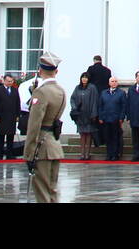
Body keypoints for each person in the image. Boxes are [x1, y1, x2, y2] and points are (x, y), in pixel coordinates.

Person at [22, 52, 66, 203]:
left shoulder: (41, 92)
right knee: (52, 191)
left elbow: (34, 125)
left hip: (41, 147)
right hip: (54, 145)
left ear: (40, 71)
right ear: (56, 71)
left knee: (42, 192)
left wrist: (28, 153)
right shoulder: (60, 90)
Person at [68, 72, 100, 160]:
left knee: (89, 134)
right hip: (80, 115)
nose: (84, 79)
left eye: (86, 77)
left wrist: (94, 114)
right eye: (83, 77)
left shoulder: (92, 88)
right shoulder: (77, 88)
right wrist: (75, 108)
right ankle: (82, 153)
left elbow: (95, 101)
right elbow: (72, 99)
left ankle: (87, 153)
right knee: (82, 134)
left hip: (89, 115)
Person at [98, 76, 128, 161]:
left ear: (117, 83)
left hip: (116, 119)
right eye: (112, 81)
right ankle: (109, 154)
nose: (114, 83)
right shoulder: (104, 93)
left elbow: (123, 106)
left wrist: (121, 117)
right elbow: (100, 106)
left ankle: (115, 154)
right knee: (108, 137)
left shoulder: (121, 93)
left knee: (115, 137)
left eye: (115, 81)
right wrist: (100, 116)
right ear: (109, 83)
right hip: (106, 119)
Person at [85, 55, 112, 148]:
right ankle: (104, 138)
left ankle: (97, 141)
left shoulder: (91, 69)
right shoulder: (107, 70)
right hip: (105, 95)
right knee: (103, 119)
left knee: (94, 119)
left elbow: (87, 81)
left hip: (94, 96)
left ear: (94, 60)